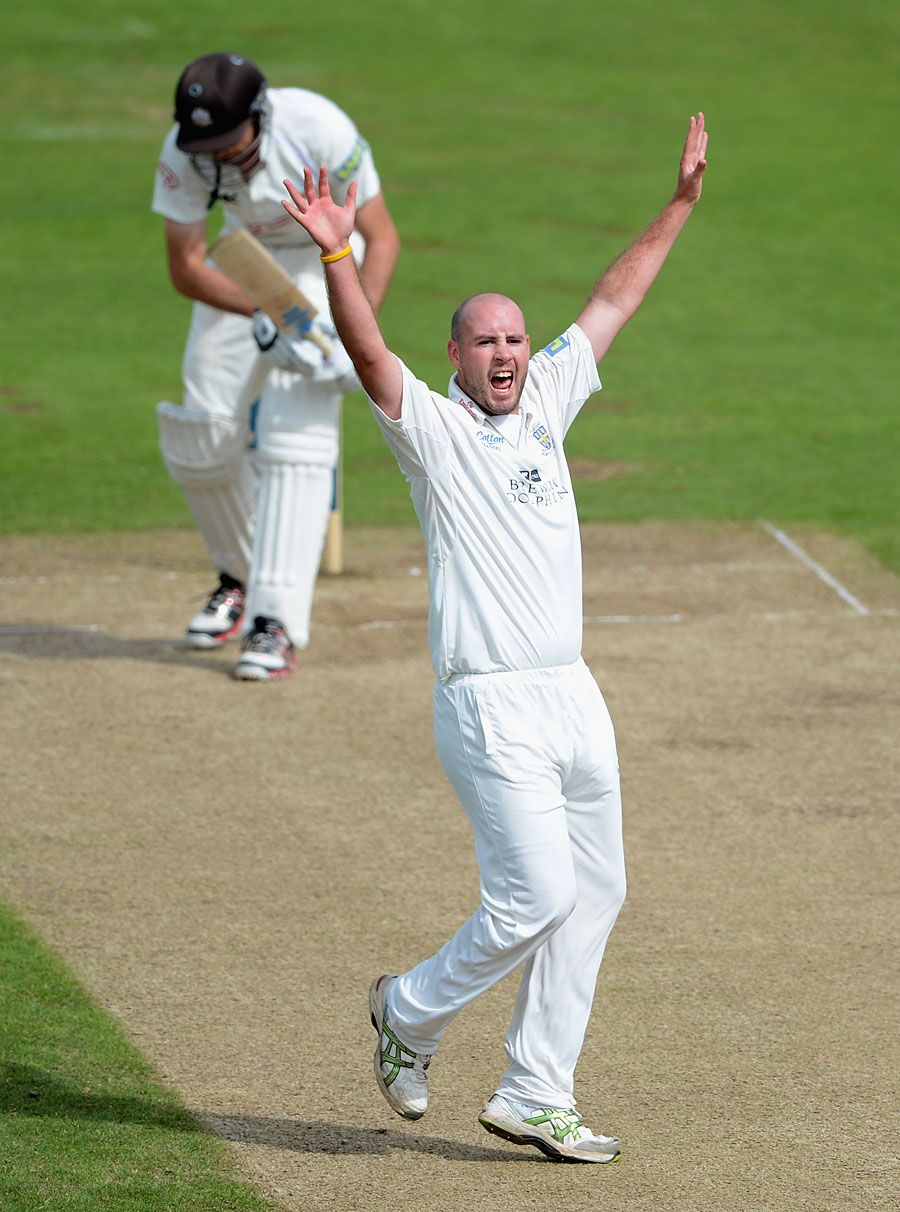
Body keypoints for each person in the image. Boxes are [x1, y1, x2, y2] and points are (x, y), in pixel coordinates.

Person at [282, 114, 708, 1161]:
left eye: (515, 338)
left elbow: (614, 297)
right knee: (536, 898)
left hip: (573, 692)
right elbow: (365, 347)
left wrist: (681, 203)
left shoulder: (552, 397)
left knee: (596, 891)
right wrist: (339, 250)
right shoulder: (429, 429)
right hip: (488, 703)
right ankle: (409, 1013)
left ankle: (534, 1091)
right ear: (457, 356)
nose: (507, 353)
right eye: (486, 341)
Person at [151, 52, 399, 679]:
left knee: (295, 441)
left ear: (260, 114)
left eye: (230, 141)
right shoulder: (185, 152)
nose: (220, 156)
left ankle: (275, 623)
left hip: (328, 256)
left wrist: (352, 334)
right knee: (198, 437)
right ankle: (240, 577)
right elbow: (186, 267)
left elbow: (382, 235)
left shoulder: (320, 128)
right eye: (207, 145)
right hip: (247, 269)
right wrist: (264, 313)